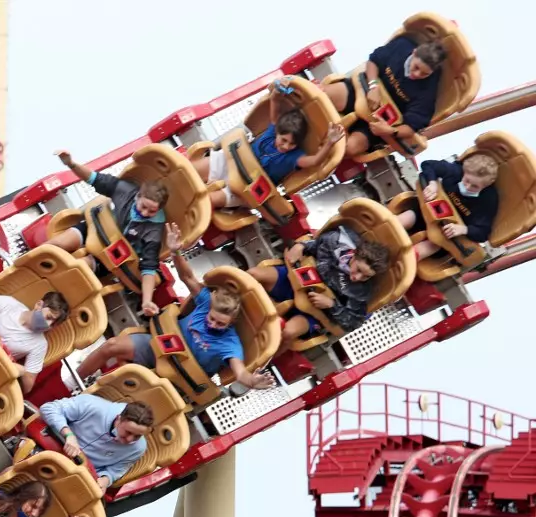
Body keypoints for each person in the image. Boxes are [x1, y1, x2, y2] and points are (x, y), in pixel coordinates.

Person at [75, 224, 272, 391]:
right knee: (112, 346)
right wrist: (176, 251)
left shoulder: (230, 344)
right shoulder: (206, 302)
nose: (212, 324)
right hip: (158, 345)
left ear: (231, 323)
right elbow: (187, 277)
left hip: (177, 376)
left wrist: (252, 381)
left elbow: (240, 373)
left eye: (220, 324)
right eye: (211, 318)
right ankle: (72, 382)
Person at [46, 149, 169, 318]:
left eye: (152, 211)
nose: (146, 213)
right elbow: (94, 178)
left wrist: (147, 300)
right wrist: (71, 163)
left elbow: (148, 266)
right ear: (137, 197)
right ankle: (24, 266)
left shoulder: (153, 229)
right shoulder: (125, 190)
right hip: (95, 229)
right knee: (57, 245)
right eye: (143, 207)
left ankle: (46, 292)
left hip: (109, 255)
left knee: (80, 265)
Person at [191, 79, 344, 210]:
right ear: (277, 131)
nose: (286, 146)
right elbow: (275, 103)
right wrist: (277, 91)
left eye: (292, 144)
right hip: (231, 162)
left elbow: (315, 160)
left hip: (246, 187)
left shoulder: (294, 157)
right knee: (192, 171)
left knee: (207, 201)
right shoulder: (273, 129)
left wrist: (329, 142)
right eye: (283, 140)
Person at [248, 227, 390, 350]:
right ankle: (228, 303)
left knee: (287, 332)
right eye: (358, 269)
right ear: (354, 255)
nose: (357, 278)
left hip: (312, 312)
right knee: (253, 275)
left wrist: (331, 305)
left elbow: (353, 322)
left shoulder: (361, 291)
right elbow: (314, 244)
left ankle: (259, 360)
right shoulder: (334, 242)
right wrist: (301, 246)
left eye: (366, 276)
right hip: (292, 280)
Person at [321, 38, 447, 158]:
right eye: (416, 67)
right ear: (413, 53)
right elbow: (374, 61)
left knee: (349, 148)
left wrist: (390, 131)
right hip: (360, 92)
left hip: (377, 124)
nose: (416, 74)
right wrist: (373, 86)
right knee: (322, 96)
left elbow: (411, 127)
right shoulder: (401, 46)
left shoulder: (428, 91)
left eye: (424, 74)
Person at [0, 291, 69, 394]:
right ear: (39, 305)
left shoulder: (40, 344)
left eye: (53, 324)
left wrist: (20, 370)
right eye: (48, 317)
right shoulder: (9, 304)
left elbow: (27, 387)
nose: (48, 324)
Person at [38, 397, 153, 496]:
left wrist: (105, 480)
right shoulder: (92, 405)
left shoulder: (138, 448)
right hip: (50, 447)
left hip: (76, 474)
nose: (130, 439)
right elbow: (48, 408)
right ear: (118, 419)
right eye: (128, 432)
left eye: (137, 436)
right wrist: (68, 434)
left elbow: (116, 470)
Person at [394, 153, 500, 260]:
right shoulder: (455, 171)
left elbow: (483, 232)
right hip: (425, 213)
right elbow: (428, 165)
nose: (467, 187)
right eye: (467, 181)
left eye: (475, 186)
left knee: (430, 245)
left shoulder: (487, 201)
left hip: (445, 234)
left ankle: (401, 261)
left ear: (485, 186)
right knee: (404, 219)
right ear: (465, 172)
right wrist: (432, 183)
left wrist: (464, 229)